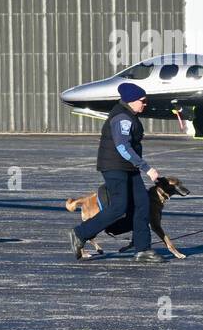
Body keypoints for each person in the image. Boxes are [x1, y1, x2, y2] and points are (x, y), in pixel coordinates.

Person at [67, 82, 163, 264]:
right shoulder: (122, 118)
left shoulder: (129, 114)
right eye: (142, 100)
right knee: (119, 206)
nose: (145, 103)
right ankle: (80, 233)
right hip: (115, 167)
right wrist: (146, 168)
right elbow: (122, 147)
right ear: (131, 100)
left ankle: (143, 249)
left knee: (142, 203)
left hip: (128, 167)